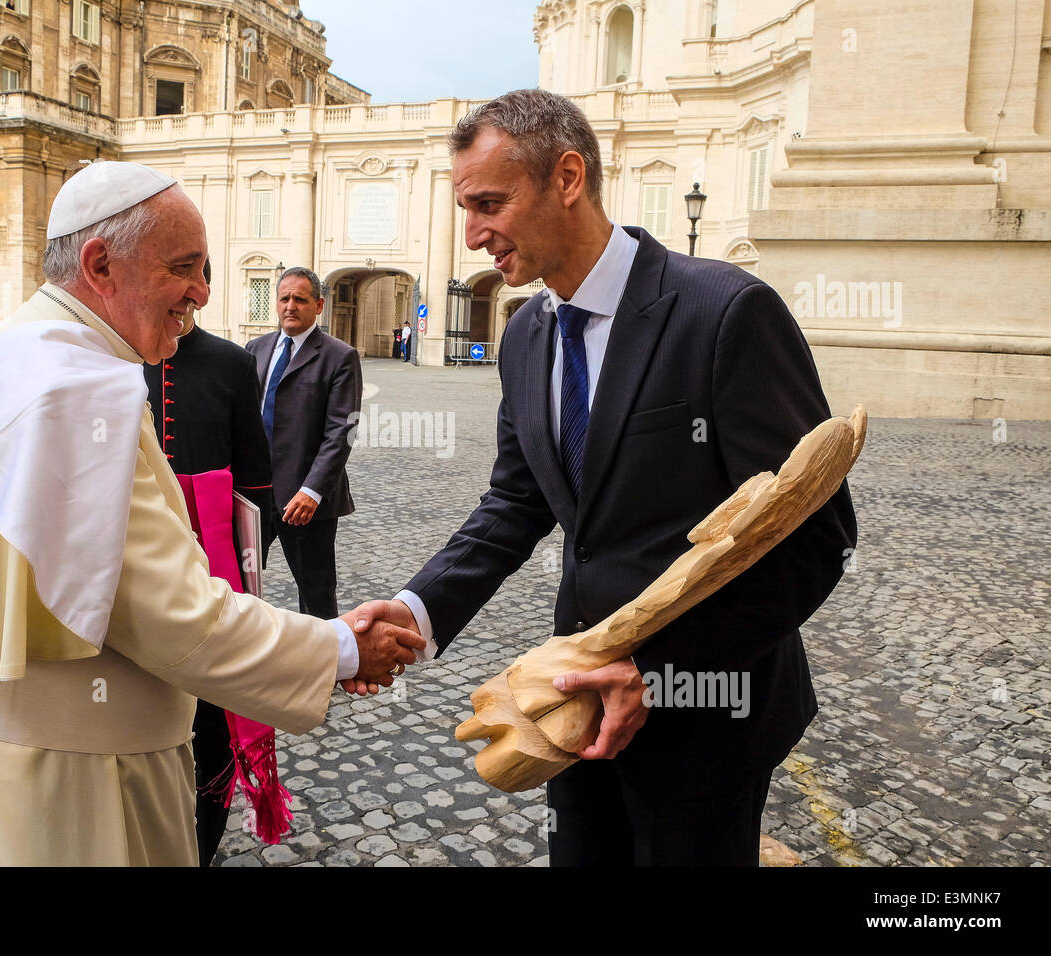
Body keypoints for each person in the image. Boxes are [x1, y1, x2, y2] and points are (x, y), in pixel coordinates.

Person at [347, 89, 857, 866]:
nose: (473, 233)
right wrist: (418, 608)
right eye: (466, 207)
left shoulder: (725, 311)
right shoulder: (526, 338)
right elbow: (516, 502)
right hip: (574, 713)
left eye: (489, 203)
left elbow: (815, 538)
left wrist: (653, 675)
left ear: (569, 177)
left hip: (709, 720)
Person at [0, 161, 420, 866]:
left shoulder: (26, 346)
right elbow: (173, 617)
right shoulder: (74, 386)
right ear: (100, 265)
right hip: (44, 782)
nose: (201, 290)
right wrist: (341, 649)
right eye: (183, 267)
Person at [142, 256, 281, 866]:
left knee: (213, 719)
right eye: (180, 271)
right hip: (134, 579)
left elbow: (256, 483)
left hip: (213, 572)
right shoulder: (111, 358)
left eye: (204, 272)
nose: (194, 290)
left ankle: (201, 843)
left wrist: (244, 571)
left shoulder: (230, 362)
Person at [246, 268, 362, 620]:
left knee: (316, 593)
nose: (290, 306)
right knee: (238, 582)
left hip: (305, 501)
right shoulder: (256, 348)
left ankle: (325, 667)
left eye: (300, 299)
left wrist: (312, 491)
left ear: (319, 305)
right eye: (284, 298)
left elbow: (341, 432)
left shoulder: (339, 356)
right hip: (254, 493)